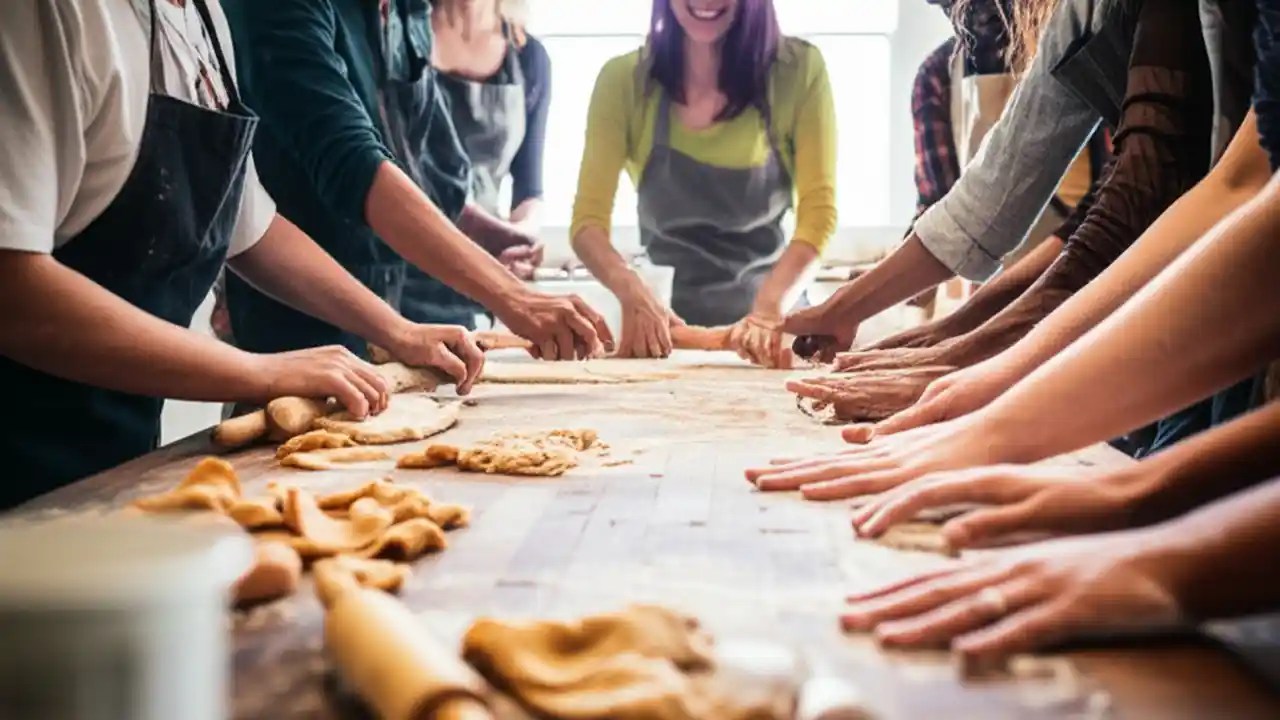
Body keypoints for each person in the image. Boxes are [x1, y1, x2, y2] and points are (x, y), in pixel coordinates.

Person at [0, 0, 485, 509]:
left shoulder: (203, 16)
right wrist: (259, 371)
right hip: (18, 456)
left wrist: (395, 330)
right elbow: (13, 288)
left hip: (116, 451)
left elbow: (250, 225)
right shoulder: (47, 13)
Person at [746, 110, 1279, 501]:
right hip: (1162, 313)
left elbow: (1179, 194)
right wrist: (957, 349)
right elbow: (1224, 188)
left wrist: (986, 376)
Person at [220, 0, 611, 363]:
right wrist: (513, 297)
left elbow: (433, 173)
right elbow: (351, 161)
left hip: (404, 321)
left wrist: (503, 239)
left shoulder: (409, 8)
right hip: (300, 328)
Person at [570, 0, 837, 365]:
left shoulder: (799, 70)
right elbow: (587, 226)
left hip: (772, 330)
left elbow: (819, 217)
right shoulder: (624, 80)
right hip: (666, 334)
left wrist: (768, 309)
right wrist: (633, 291)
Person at [398, 0, 552, 328]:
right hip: (403, 279)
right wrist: (496, 237)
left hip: (481, 287)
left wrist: (521, 240)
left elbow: (529, 189)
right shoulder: (404, 36)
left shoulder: (529, 55)